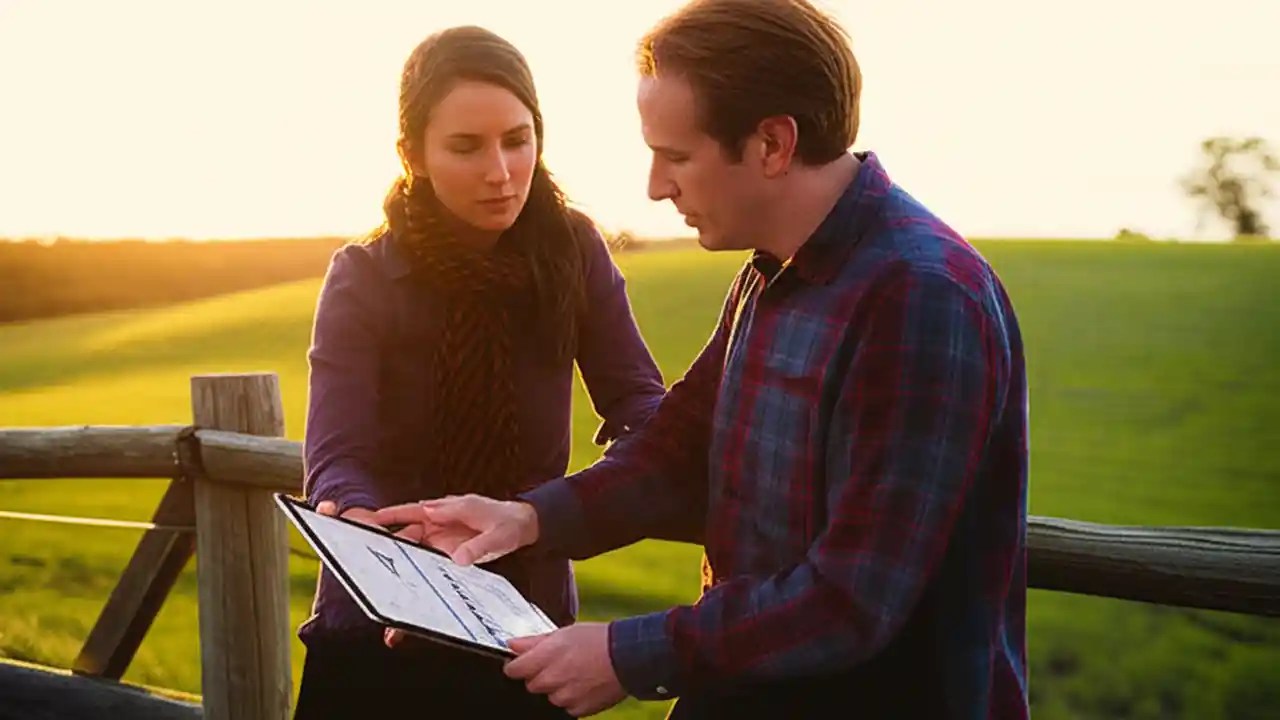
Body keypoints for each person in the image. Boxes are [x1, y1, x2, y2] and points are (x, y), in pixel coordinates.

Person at [373, 1, 1031, 718]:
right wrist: (526, 520)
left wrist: (628, 655)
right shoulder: (770, 273)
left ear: (773, 144)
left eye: (677, 156)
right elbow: (677, 448)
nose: (656, 185)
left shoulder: (921, 297)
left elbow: (851, 598)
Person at [293, 25, 667, 719]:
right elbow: (337, 453)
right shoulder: (366, 275)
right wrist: (370, 531)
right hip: (379, 630)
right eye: (466, 147)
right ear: (413, 155)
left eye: (517, 139)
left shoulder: (574, 250)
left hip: (526, 635)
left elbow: (639, 402)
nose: (500, 171)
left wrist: (604, 495)